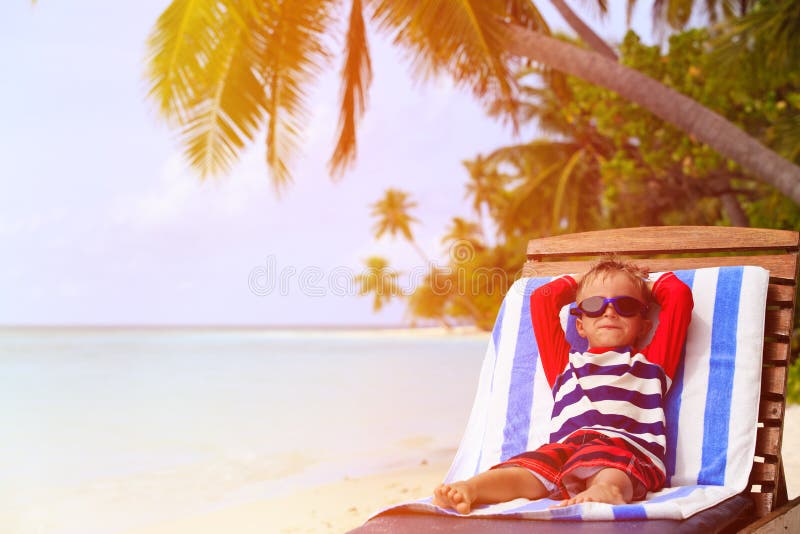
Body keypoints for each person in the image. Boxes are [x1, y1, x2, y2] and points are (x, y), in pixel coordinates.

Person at [432, 257, 693, 514]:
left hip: (624, 446)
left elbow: (679, 296)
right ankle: (471, 488)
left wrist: (643, 281)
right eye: (593, 304)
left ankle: (608, 490)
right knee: (527, 469)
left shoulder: (651, 364)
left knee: (614, 468)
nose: (609, 311)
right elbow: (542, 299)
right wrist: (582, 280)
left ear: (643, 325)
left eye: (625, 305)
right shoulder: (565, 365)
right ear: (580, 325)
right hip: (566, 450)